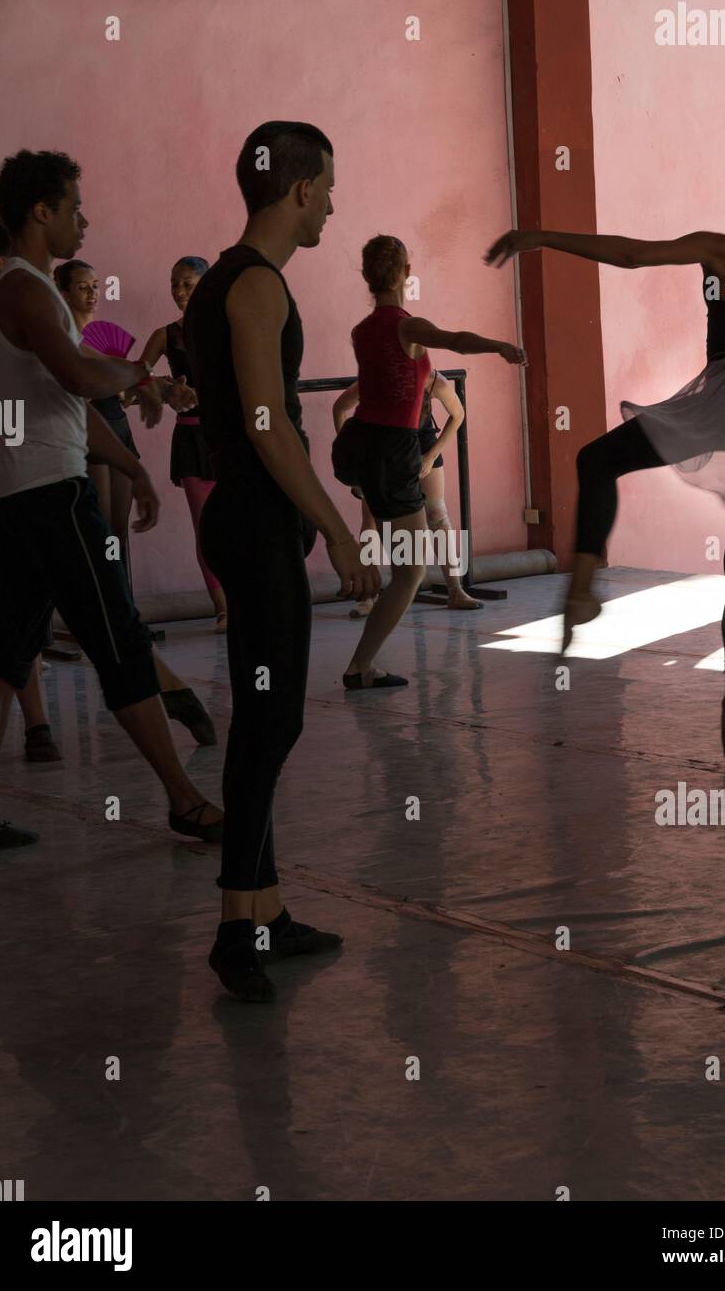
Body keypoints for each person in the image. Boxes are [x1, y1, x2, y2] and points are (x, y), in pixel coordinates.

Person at [486, 128, 725, 761]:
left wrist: (540, 237)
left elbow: (631, 254)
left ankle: (582, 587)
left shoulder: (719, 247)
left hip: (721, 399)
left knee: (597, 460)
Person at [185, 120, 380, 1001]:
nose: (332, 206)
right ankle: (238, 927)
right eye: (327, 190)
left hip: (248, 521)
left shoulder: (222, 281)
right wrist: (335, 528)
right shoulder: (257, 284)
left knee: (273, 719)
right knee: (268, 724)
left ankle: (264, 909)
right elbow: (268, 426)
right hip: (259, 523)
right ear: (300, 190)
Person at [0, 148, 224, 852]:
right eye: (76, 208)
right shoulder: (26, 289)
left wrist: (131, 465)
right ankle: (183, 801)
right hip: (49, 497)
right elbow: (81, 377)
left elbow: (70, 400)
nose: (84, 222)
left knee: (1, 660)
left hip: (20, 495)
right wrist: (144, 373)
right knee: (120, 639)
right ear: (42, 212)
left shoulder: (28, 290)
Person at [332, 235, 526, 687]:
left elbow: (369, 392)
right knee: (411, 571)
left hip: (363, 444)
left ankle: (363, 655)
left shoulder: (361, 330)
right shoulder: (407, 326)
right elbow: (455, 340)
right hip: (393, 449)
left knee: (402, 558)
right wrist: (499, 345)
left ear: (366, 276)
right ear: (407, 271)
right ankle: (360, 667)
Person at [53, 258, 216, 745]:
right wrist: (149, 385)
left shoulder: (94, 337)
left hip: (114, 430)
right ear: (62, 293)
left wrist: (159, 388)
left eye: (95, 286)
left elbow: (126, 381)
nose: (92, 293)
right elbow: (104, 384)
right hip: (89, 438)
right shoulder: (59, 337)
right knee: (99, 534)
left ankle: (125, 619)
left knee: (115, 533)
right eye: (82, 287)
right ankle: (116, 630)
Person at [0, 215, 60, 763]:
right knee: (11, 606)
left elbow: (6, 409)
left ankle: (38, 727)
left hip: (4, 471)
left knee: (14, 604)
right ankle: (36, 727)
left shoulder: (6, 321)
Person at [333, 367, 484, 613]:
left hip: (420, 442)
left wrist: (431, 456)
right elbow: (339, 407)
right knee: (371, 520)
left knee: (437, 514)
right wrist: (353, 454)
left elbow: (458, 414)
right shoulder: (376, 378)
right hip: (380, 446)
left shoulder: (434, 381)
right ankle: (368, 597)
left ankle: (456, 589)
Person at [140, 258, 227, 631]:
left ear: (206, 285)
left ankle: (247, 601)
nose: (179, 291)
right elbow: (136, 378)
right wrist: (164, 388)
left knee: (240, 522)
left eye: (188, 284)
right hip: (192, 438)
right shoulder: (164, 336)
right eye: (174, 284)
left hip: (230, 435)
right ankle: (223, 608)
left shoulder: (228, 328)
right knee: (206, 526)